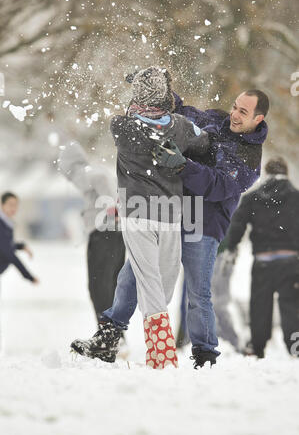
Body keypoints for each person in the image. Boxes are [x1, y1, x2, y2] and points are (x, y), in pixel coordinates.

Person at [71, 86, 269, 369]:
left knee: (197, 292)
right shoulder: (215, 119)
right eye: (236, 106)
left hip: (204, 225)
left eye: (243, 112)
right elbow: (181, 115)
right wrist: (161, 91)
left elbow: (219, 185)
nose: (235, 115)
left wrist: (183, 166)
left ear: (257, 119)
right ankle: (108, 337)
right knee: (132, 273)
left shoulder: (250, 157)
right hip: (171, 214)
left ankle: (204, 354)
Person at [71, 66, 209, 369]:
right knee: (153, 281)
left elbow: (137, 118)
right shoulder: (182, 127)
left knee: (158, 283)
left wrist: (142, 85)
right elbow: (205, 143)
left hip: (147, 215)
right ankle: (161, 353)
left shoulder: (121, 125)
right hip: (160, 215)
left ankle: (122, 336)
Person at [223, 158, 299, 358]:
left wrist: (232, 247)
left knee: (260, 304)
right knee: (291, 304)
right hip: (290, 261)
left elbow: (237, 224)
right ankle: (295, 345)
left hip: (263, 261)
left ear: (266, 173)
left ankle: (257, 347)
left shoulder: (253, 197)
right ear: (287, 173)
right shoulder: (296, 197)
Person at [58, 140, 126, 324]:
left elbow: (102, 180)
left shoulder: (84, 172)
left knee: (99, 285)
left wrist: (112, 207)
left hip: (104, 232)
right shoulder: (96, 170)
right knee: (110, 284)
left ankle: (108, 334)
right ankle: (115, 335)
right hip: (115, 232)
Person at [0, 192, 38, 350]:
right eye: (10, 204)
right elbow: (8, 254)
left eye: (15, 205)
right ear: (2, 205)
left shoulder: (7, 224)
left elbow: (7, 247)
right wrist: (28, 276)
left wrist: (21, 246)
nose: (13, 208)